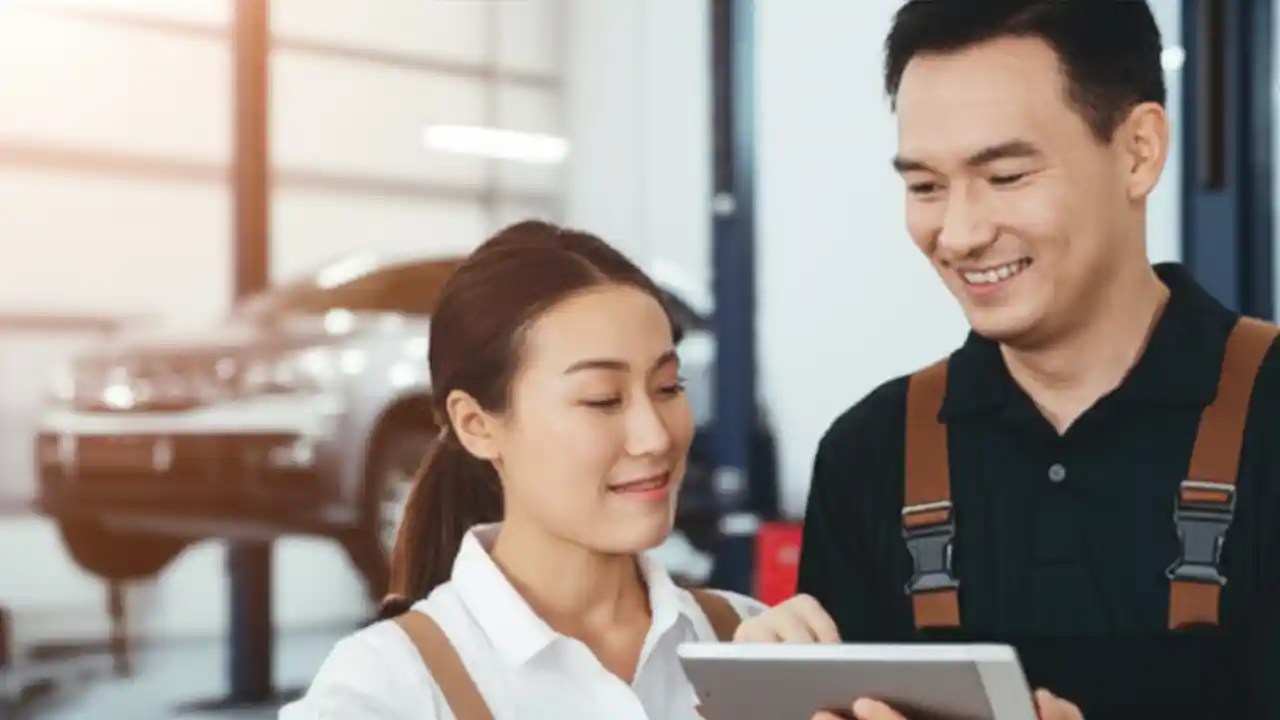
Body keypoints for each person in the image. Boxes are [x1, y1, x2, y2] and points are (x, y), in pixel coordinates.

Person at [736, 1, 1280, 719]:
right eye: (925, 186)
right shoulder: (870, 457)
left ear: (1139, 151)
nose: (957, 233)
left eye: (1007, 177)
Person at [279, 220, 819, 719]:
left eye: (667, 388)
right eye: (602, 399)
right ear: (476, 425)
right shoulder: (384, 689)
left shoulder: (749, 642)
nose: (656, 436)